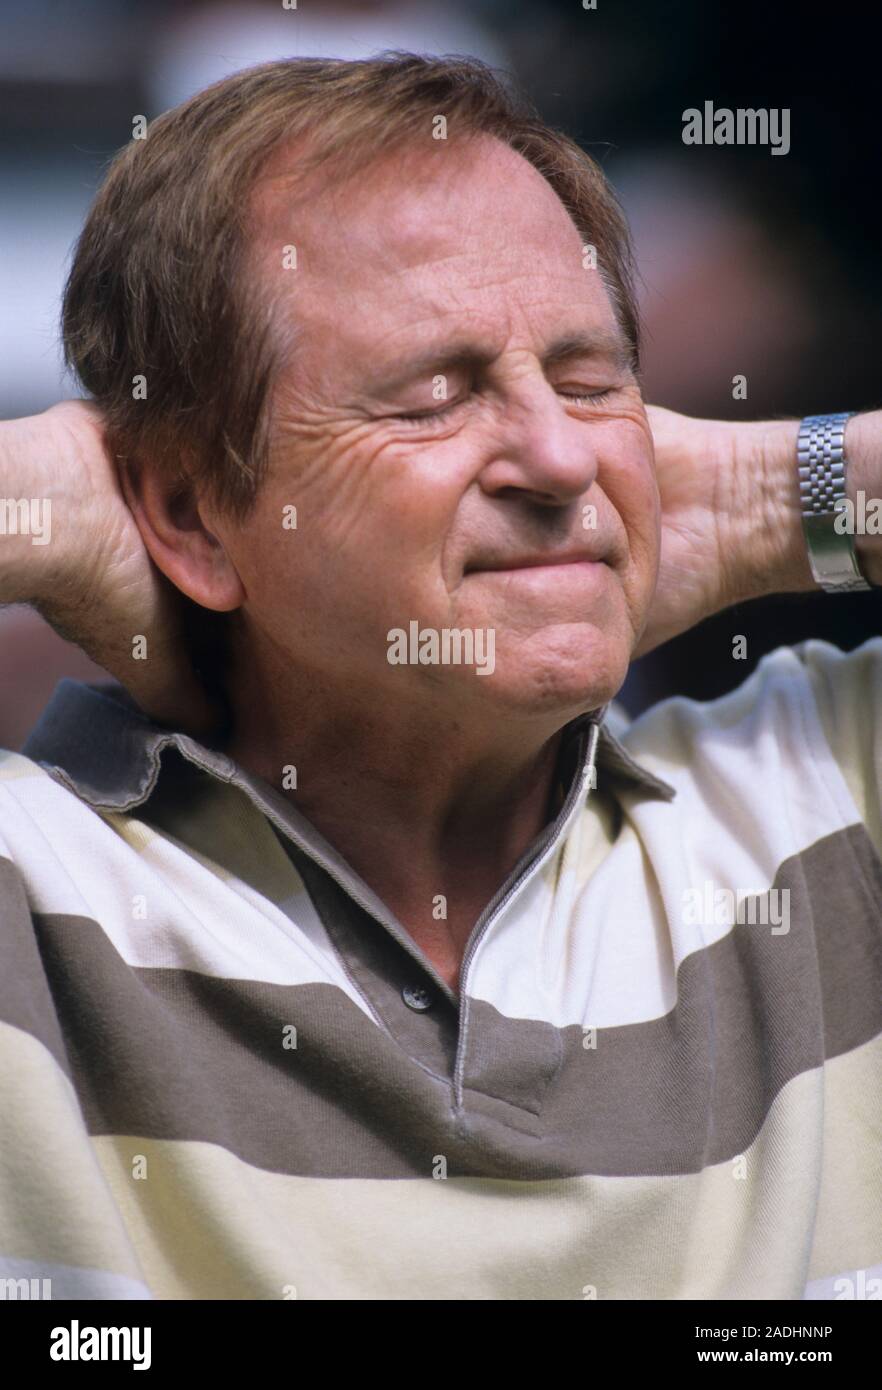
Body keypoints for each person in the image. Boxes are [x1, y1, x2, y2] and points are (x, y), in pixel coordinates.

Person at [0, 53, 879, 1302]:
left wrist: (766, 501)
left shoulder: (823, 788)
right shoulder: (29, 894)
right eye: (436, 397)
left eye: (591, 380)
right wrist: (50, 512)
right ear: (192, 509)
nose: (563, 460)